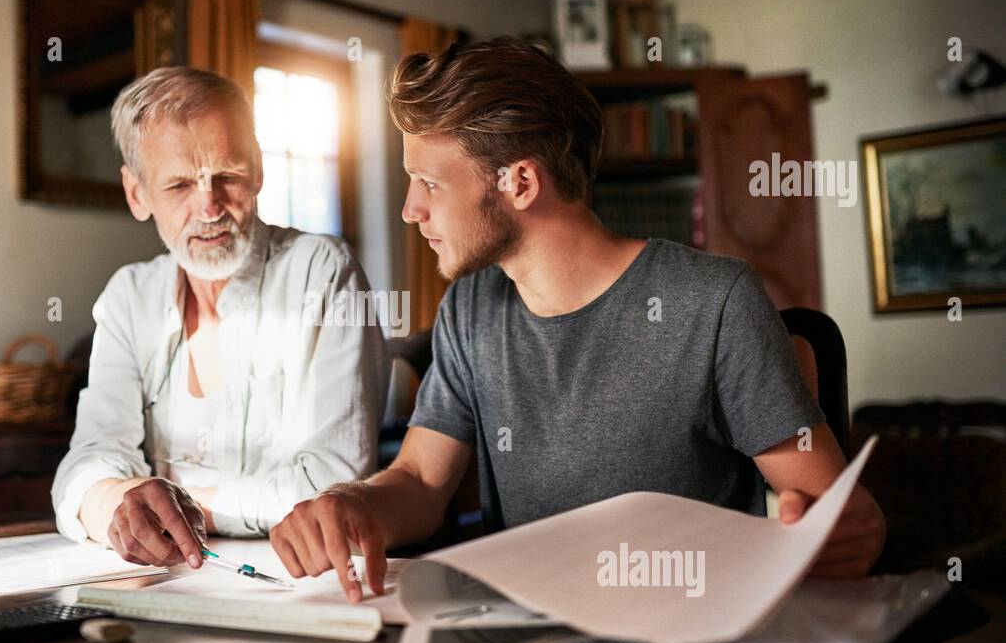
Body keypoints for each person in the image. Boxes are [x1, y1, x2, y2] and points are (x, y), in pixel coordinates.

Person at [269, 37, 885, 602]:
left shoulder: (714, 302)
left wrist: (846, 533)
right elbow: (422, 482)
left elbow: (841, 515)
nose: (410, 209)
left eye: (429, 182)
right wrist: (351, 504)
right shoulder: (468, 311)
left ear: (521, 182)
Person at [52, 66, 389, 569]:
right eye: (180, 185)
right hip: (163, 580)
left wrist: (179, 504)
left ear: (257, 169)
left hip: (296, 578)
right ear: (137, 193)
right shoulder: (129, 296)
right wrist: (116, 507)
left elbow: (331, 483)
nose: (209, 207)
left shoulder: (322, 272)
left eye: (227, 176)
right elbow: (86, 464)